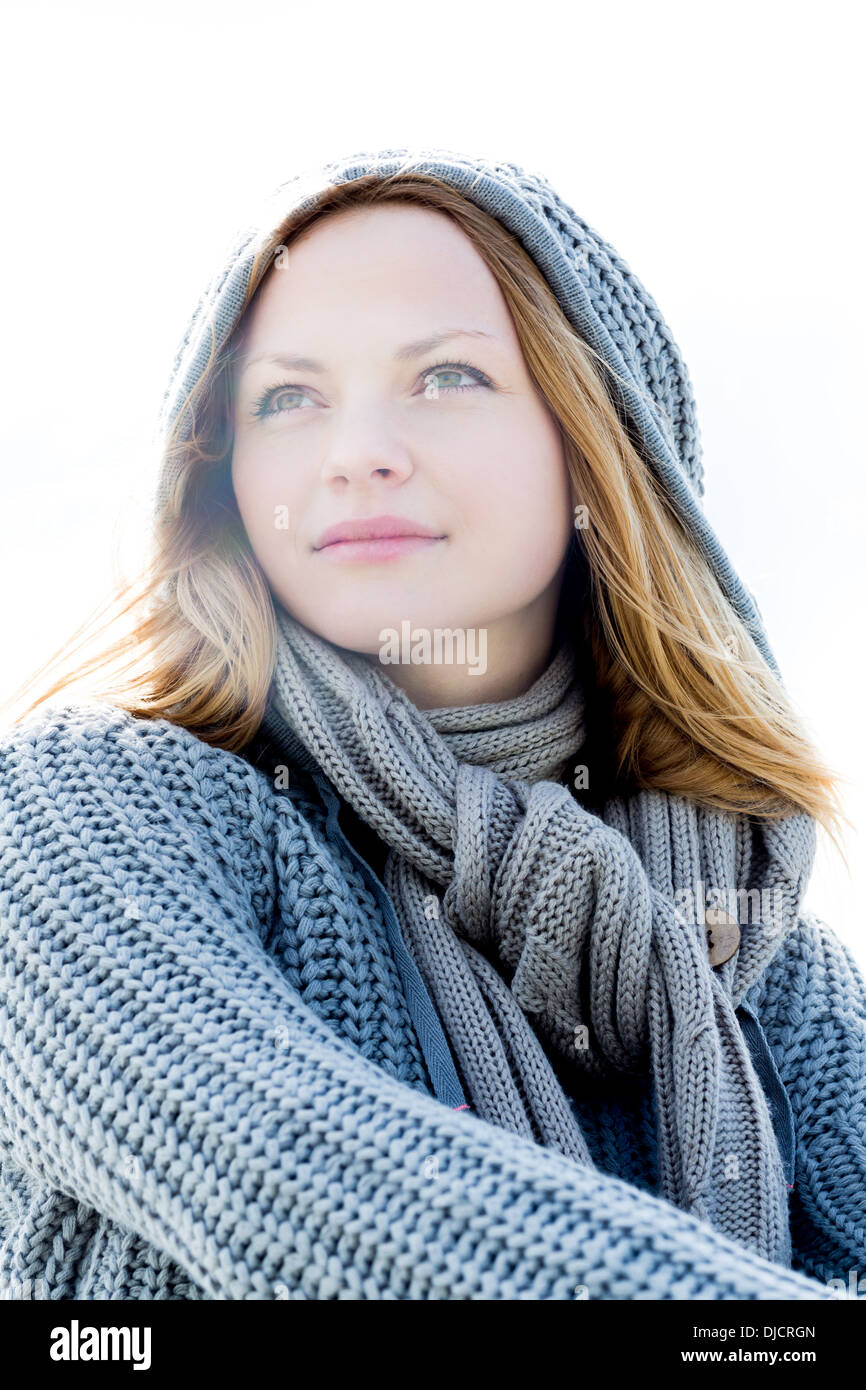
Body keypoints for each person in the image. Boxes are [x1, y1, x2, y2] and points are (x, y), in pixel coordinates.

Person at [0, 145, 862, 1302]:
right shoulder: (81, 816)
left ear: (596, 453)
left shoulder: (769, 960)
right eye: (287, 397)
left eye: (446, 377)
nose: (355, 455)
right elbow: (307, 1193)